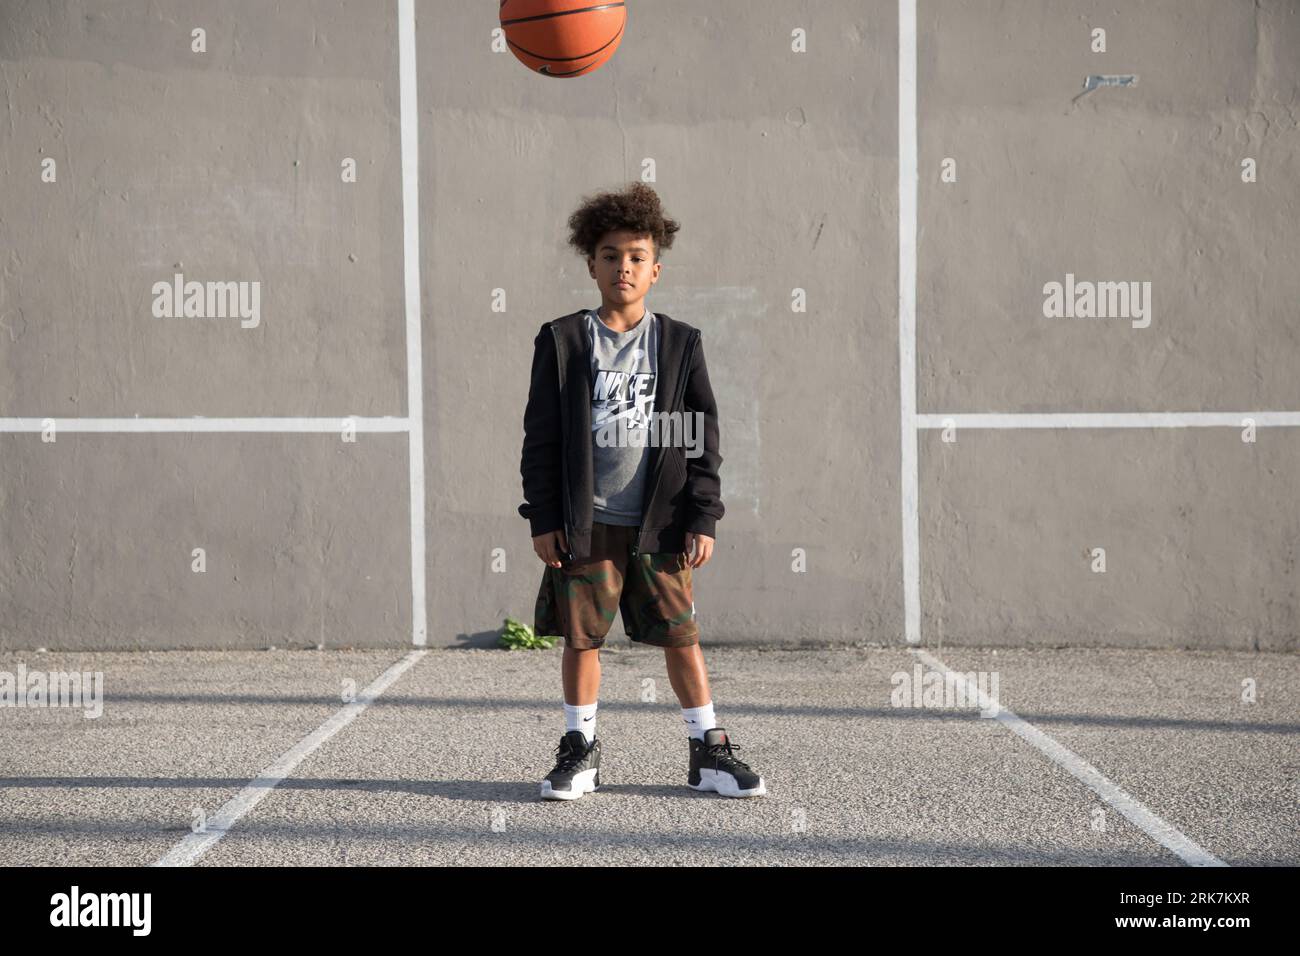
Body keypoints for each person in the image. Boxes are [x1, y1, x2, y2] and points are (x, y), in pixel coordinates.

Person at [518, 181, 766, 801]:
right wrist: (543, 515)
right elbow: (541, 438)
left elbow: (697, 438)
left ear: (655, 268)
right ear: (591, 264)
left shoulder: (679, 344)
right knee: (583, 638)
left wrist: (702, 516)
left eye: (635, 257)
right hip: (586, 521)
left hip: (660, 521)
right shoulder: (564, 341)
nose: (622, 267)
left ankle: (710, 750)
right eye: (609, 255)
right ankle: (580, 751)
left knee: (681, 637)